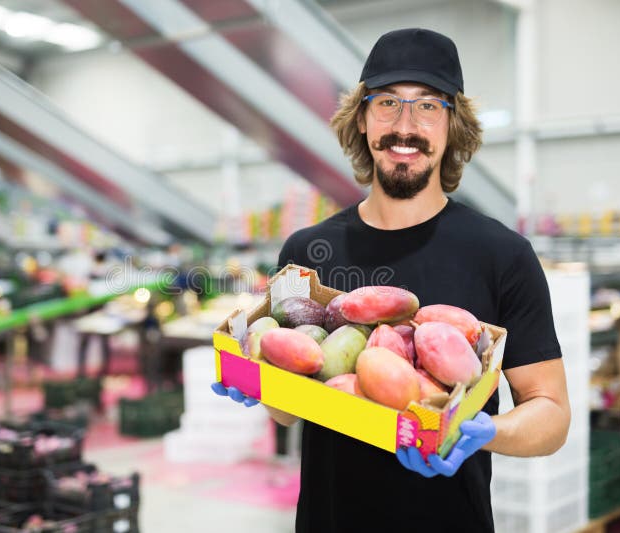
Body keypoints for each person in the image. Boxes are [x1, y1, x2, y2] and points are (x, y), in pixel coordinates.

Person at [213, 27, 570, 532]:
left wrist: (484, 431)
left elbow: (551, 413)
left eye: (428, 106)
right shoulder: (305, 256)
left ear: (453, 125)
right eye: (387, 104)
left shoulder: (502, 254)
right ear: (361, 119)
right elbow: (289, 414)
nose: (406, 126)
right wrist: (262, 377)